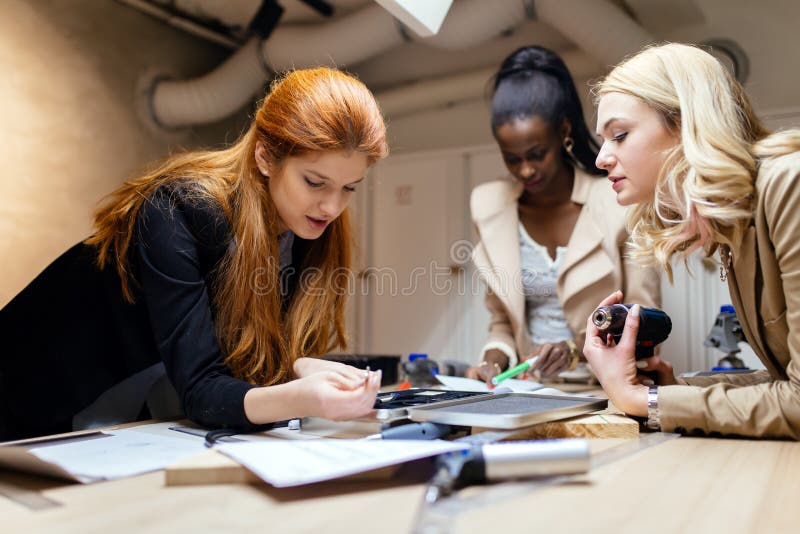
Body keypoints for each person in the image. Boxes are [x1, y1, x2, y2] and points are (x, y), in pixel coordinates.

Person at [0, 67, 388, 441]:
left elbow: (230, 359)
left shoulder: (304, 229)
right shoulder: (177, 210)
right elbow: (202, 387)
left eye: (349, 188)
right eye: (315, 182)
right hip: (28, 390)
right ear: (266, 157)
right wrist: (299, 396)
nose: (331, 207)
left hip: (122, 412)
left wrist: (296, 368)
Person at [586, 42, 800, 439]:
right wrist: (671, 393)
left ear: (688, 125)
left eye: (619, 135)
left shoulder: (790, 186)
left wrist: (643, 402)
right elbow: (781, 382)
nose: (601, 158)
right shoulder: (738, 223)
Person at [465, 46, 660, 386]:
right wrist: (493, 361)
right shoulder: (489, 206)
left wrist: (573, 350)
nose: (525, 169)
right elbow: (501, 322)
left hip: (608, 389)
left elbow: (647, 323)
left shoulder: (620, 200)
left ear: (564, 131)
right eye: (511, 158)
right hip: (527, 391)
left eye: (537, 154)